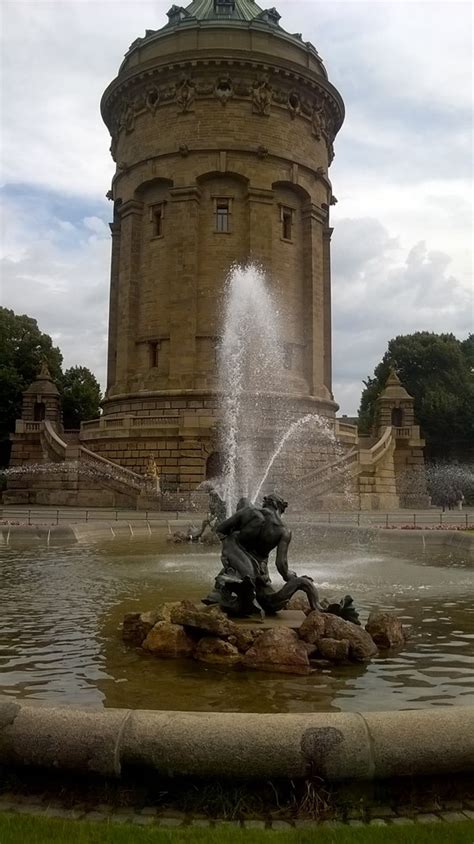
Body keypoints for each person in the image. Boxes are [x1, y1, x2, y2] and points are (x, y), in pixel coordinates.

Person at [204, 493, 321, 617]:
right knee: (254, 579)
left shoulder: (248, 512)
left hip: (237, 554)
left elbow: (221, 529)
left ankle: (223, 591)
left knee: (243, 569)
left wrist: (232, 540)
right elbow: (281, 565)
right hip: (257, 568)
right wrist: (290, 577)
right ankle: (308, 592)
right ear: (278, 507)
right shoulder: (283, 531)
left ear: (267, 503)